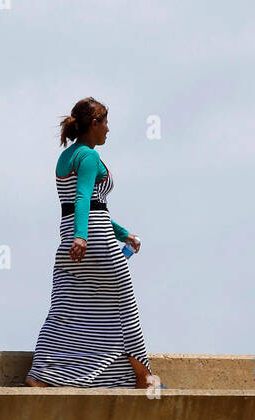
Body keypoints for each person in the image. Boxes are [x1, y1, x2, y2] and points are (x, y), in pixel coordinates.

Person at [28, 98, 157, 389]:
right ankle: (143, 376)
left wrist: (123, 234)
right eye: (106, 123)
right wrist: (83, 237)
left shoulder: (66, 157)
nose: (109, 130)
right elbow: (84, 198)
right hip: (92, 240)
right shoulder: (88, 156)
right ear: (94, 124)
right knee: (123, 305)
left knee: (67, 306)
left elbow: (85, 207)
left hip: (72, 236)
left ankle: (41, 375)